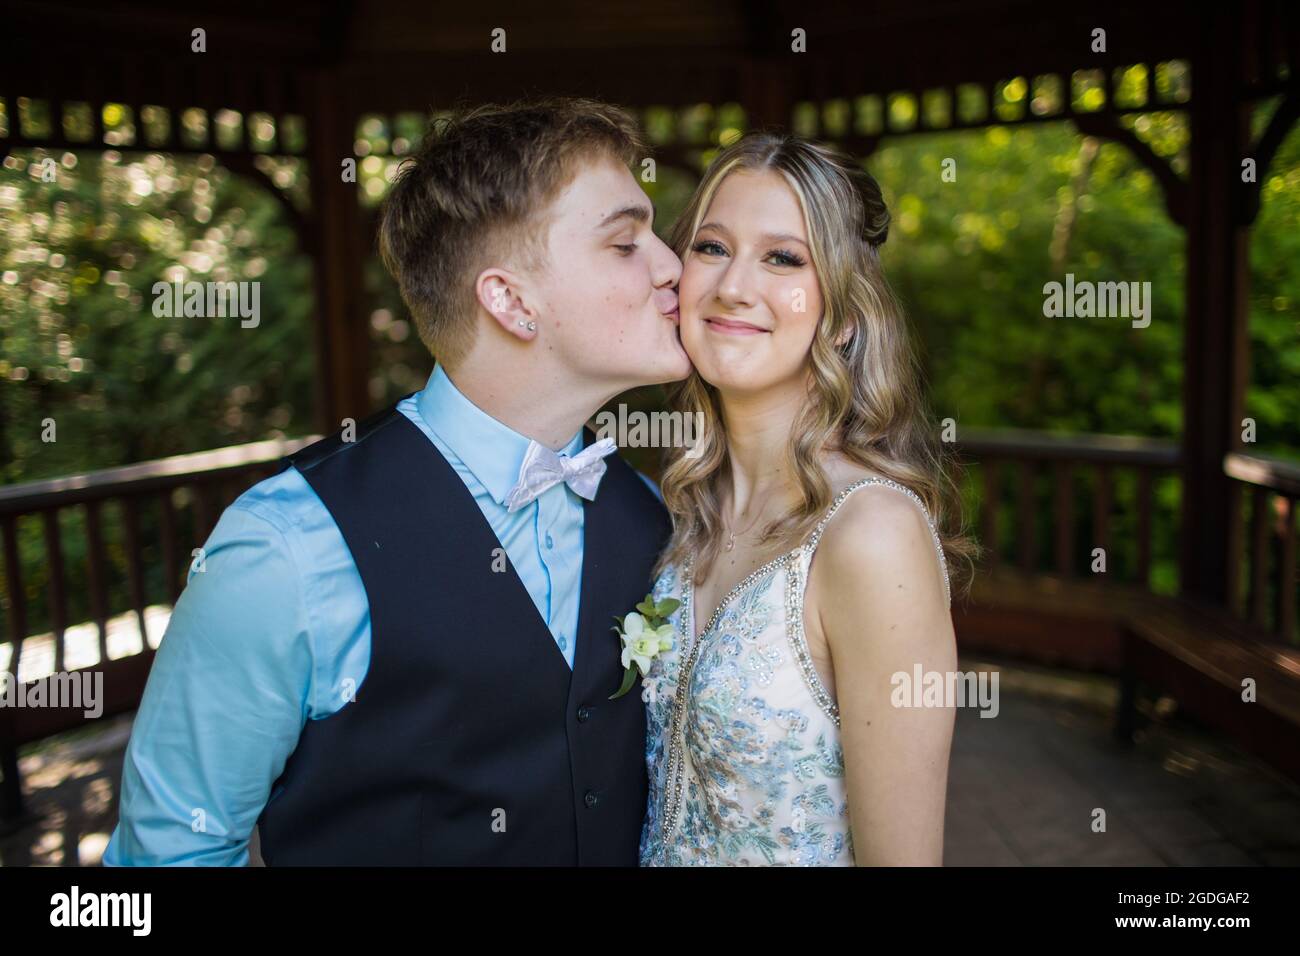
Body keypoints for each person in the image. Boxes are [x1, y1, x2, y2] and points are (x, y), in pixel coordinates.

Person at [105, 97, 689, 865]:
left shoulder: (644, 512)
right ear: (511, 301)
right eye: (624, 243)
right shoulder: (285, 549)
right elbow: (165, 861)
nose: (672, 265)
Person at [638, 132, 978, 866]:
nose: (734, 286)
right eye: (711, 247)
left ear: (845, 315)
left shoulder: (871, 535)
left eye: (784, 258)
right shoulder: (685, 512)